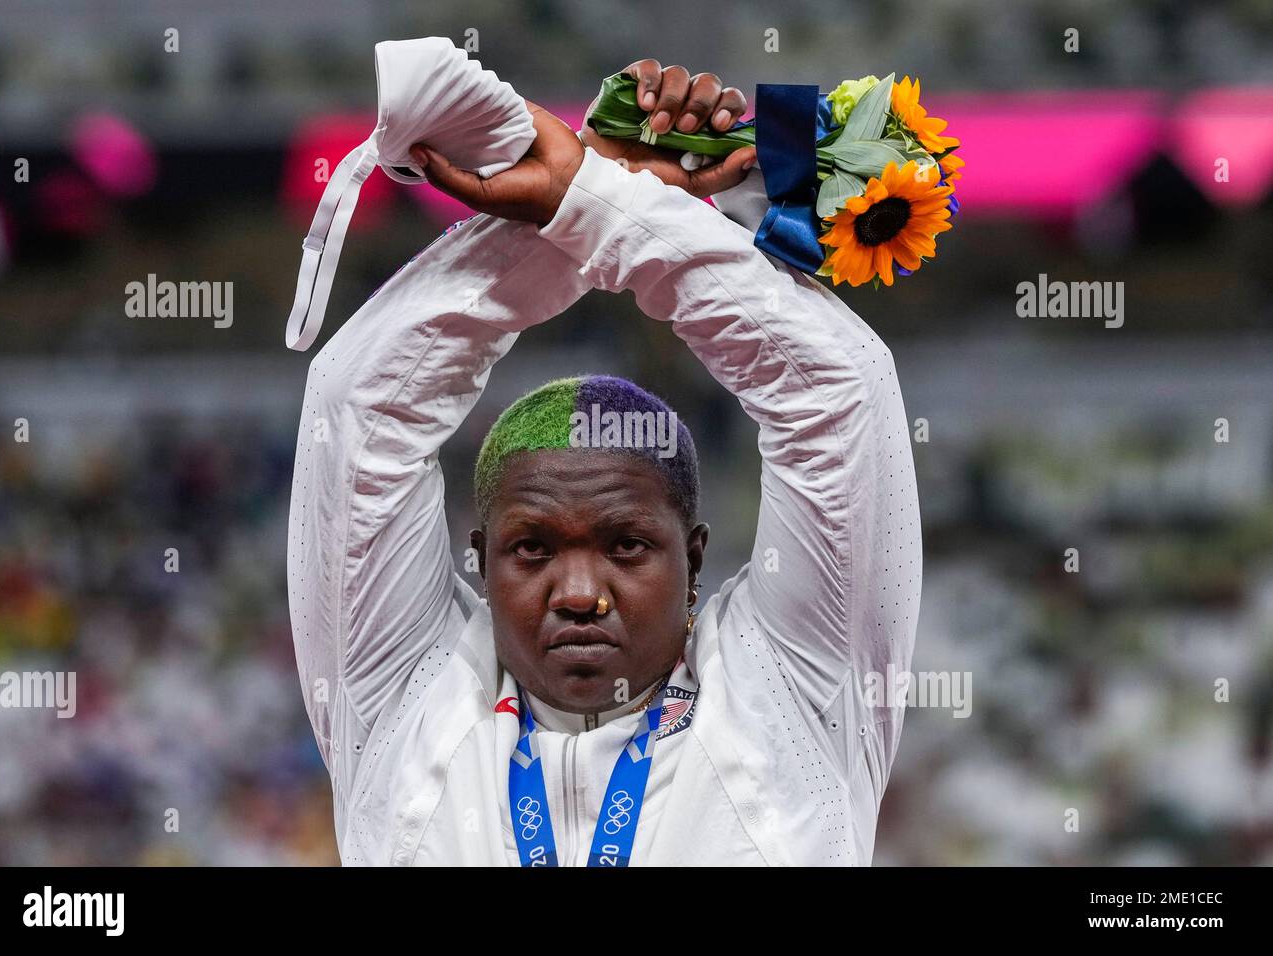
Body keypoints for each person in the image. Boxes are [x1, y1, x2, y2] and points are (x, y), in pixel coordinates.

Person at [287, 60, 922, 865]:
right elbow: (361, 406)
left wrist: (591, 199)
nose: (580, 595)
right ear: (479, 562)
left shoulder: (796, 691)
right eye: (532, 550)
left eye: (626, 546)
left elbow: (842, 393)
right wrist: (598, 196)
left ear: (693, 558)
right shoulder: (402, 691)